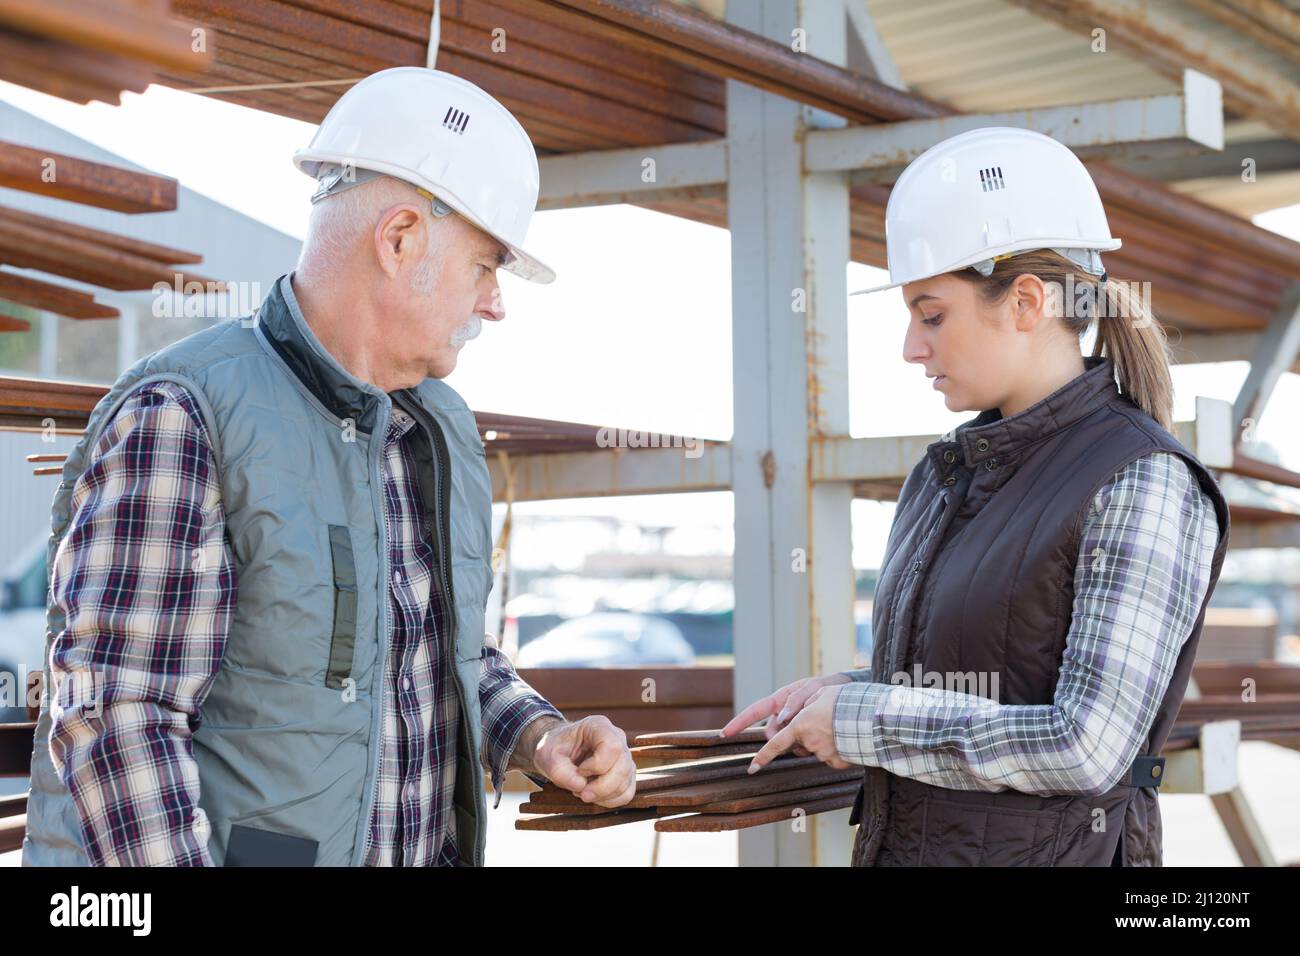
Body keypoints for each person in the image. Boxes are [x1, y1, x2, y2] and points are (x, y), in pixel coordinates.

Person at [23, 67, 636, 867]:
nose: (495, 303)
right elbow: (117, 720)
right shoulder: (185, 415)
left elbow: (439, 653)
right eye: (486, 265)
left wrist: (537, 733)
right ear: (400, 239)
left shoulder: (436, 426)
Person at [723, 127, 1230, 867]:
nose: (910, 347)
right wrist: (848, 692)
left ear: (1026, 302)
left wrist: (864, 718)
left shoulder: (1141, 478)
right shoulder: (945, 477)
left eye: (931, 315)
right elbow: (987, 678)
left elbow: (1085, 745)